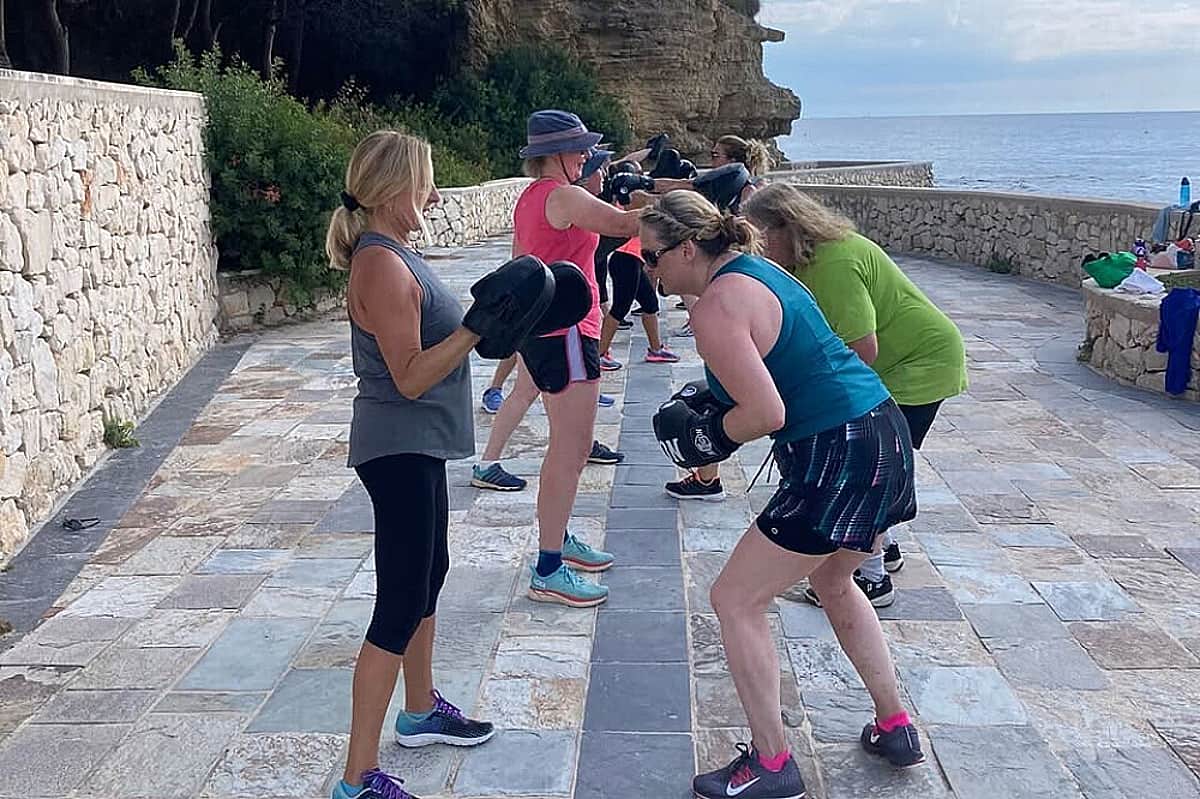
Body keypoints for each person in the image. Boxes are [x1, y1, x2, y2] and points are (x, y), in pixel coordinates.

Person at [641, 191, 925, 799]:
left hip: (836, 454)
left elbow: (765, 411)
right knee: (832, 580)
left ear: (687, 248)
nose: (648, 269)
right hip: (881, 430)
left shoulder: (715, 307)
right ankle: (895, 723)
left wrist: (707, 437)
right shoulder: (759, 268)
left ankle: (772, 765)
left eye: (652, 255)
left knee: (735, 600)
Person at [324, 130, 526, 799]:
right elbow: (408, 376)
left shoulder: (396, 251)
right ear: (392, 190)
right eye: (426, 182)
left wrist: (480, 326)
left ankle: (418, 709)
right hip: (396, 443)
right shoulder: (379, 264)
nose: (435, 194)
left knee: (428, 574)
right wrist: (475, 330)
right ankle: (356, 778)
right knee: (399, 600)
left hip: (419, 443)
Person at [743, 183, 968, 608]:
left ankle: (872, 577)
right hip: (908, 360)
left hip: (918, 365)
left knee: (872, 466)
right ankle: (885, 547)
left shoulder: (834, 263)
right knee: (876, 465)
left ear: (785, 228)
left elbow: (862, 349)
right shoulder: (813, 256)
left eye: (758, 237)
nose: (754, 248)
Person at [498, 109, 643, 607]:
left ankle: (558, 538)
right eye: (579, 148)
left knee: (567, 449)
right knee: (572, 449)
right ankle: (548, 567)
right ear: (556, 153)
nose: (585, 155)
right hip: (566, 332)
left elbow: (520, 260)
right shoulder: (563, 195)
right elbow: (623, 224)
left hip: (546, 330)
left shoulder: (530, 199)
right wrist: (687, 204)